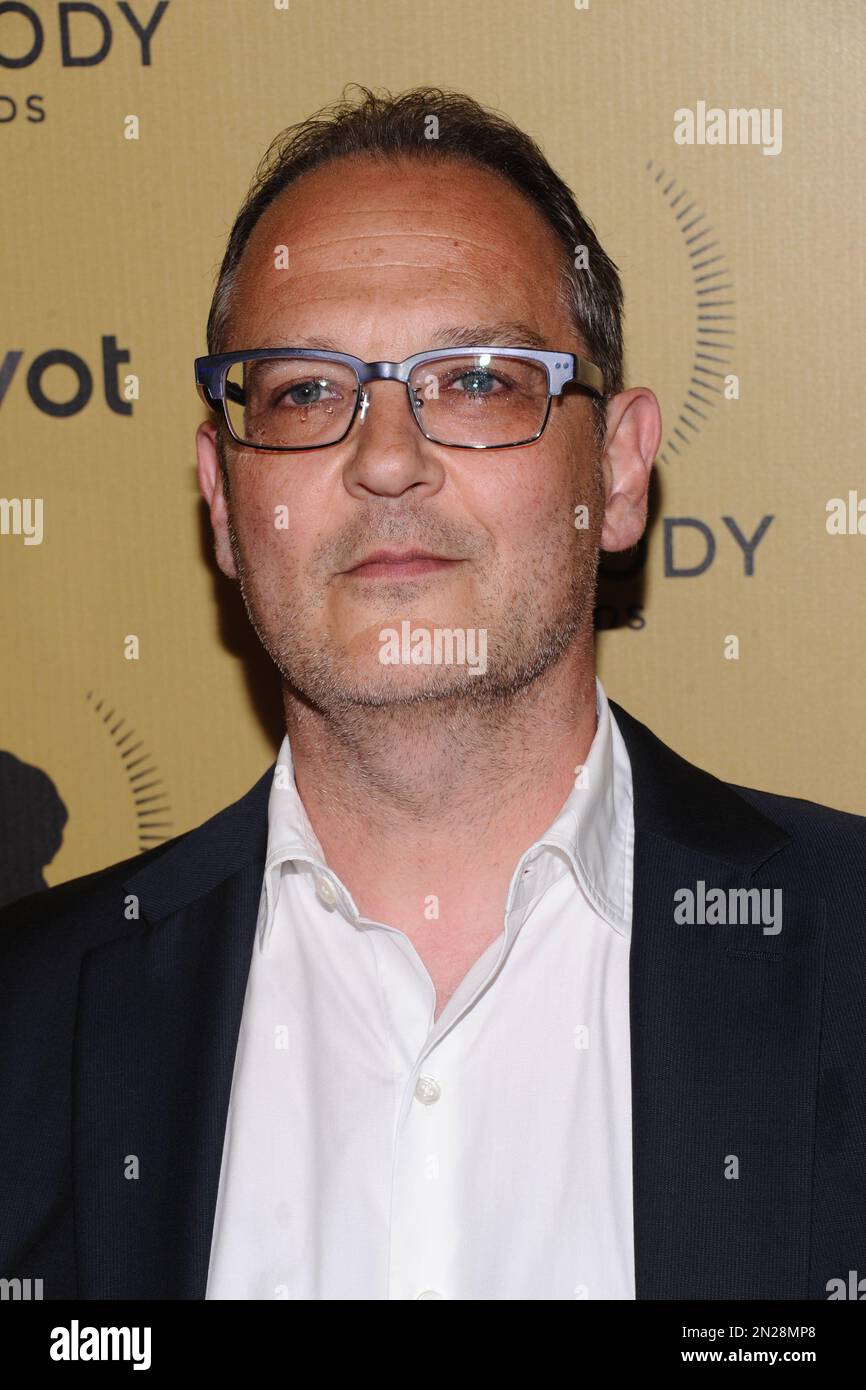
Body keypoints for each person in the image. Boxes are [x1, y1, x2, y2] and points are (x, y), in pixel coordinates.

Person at [1, 86, 864, 1302]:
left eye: (475, 380)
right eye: (303, 389)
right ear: (223, 499)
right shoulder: (27, 1019)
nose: (386, 456)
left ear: (616, 472)